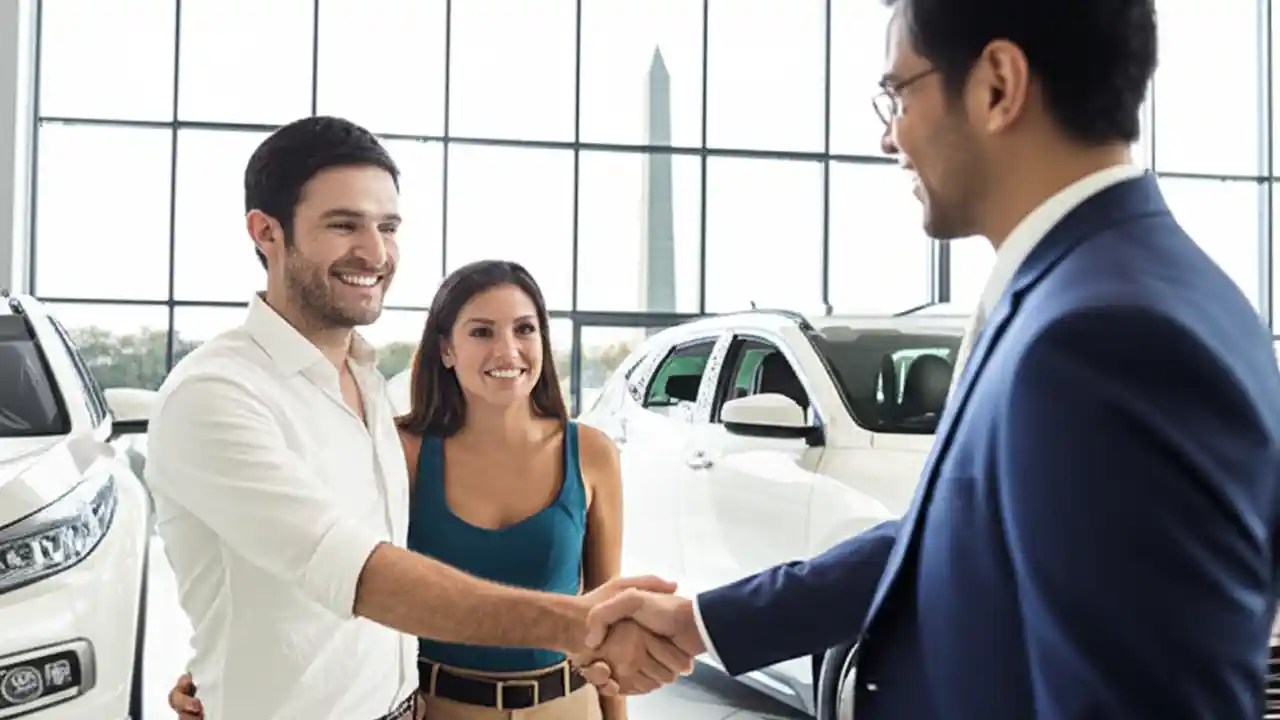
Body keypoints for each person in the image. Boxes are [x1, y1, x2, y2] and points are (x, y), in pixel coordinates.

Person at [578, 1, 1280, 718]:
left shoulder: (1100, 338)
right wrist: (701, 623)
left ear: (997, 85)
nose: (889, 136)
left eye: (899, 93)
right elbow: (943, 538)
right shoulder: (1108, 292)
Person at [147, 116, 690, 720]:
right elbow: (360, 574)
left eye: (387, 227)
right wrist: (581, 622)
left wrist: (217, 659)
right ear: (266, 231)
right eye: (343, 225)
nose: (375, 252)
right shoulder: (216, 394)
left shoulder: (367, 388)